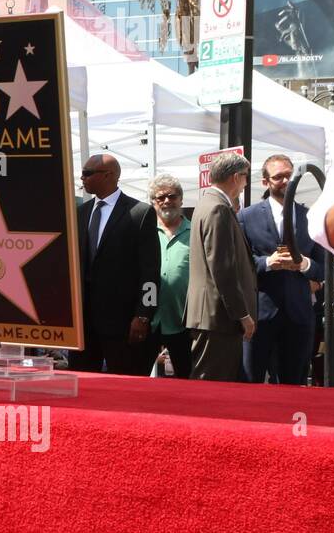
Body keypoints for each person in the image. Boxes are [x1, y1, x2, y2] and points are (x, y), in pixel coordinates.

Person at [238, 154, 324, 385]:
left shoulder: (310, 216)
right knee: (251, 383)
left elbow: (323, 268)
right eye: (279, 177)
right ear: (265, 182)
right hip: (259, 316)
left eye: (290, 175)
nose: (286, 181)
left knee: (293, 385)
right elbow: (238, 265)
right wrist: (267, 263)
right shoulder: (247, 216)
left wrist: (304, 264)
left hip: (298, 315)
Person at [73, 153, 161, 375]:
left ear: (108, 176)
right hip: (83, 325)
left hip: (122, 324)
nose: (82, 178)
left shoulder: (139, 213)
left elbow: (150, 271)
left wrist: (143, 315)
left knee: (123, 386)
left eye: (87, 173)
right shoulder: (80, 213)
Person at [187, 152, 259, 381]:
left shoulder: (209, 204)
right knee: (211, 384)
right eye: (246, 177)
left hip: (213, 316)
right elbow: (222, 268)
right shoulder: (218, 208)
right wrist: (243, 314)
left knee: (213, 382)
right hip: (218, 317)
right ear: (236, 178)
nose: (246, 183)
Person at [147, 175, 193, 379]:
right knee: (137, 378)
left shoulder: (196, 232)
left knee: (187, 379)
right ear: (153, 202)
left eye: (172, 196)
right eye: (160, 197)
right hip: (149, 320)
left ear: (181, 199)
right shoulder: (144, 232)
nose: (166, 201)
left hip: (184, 320)